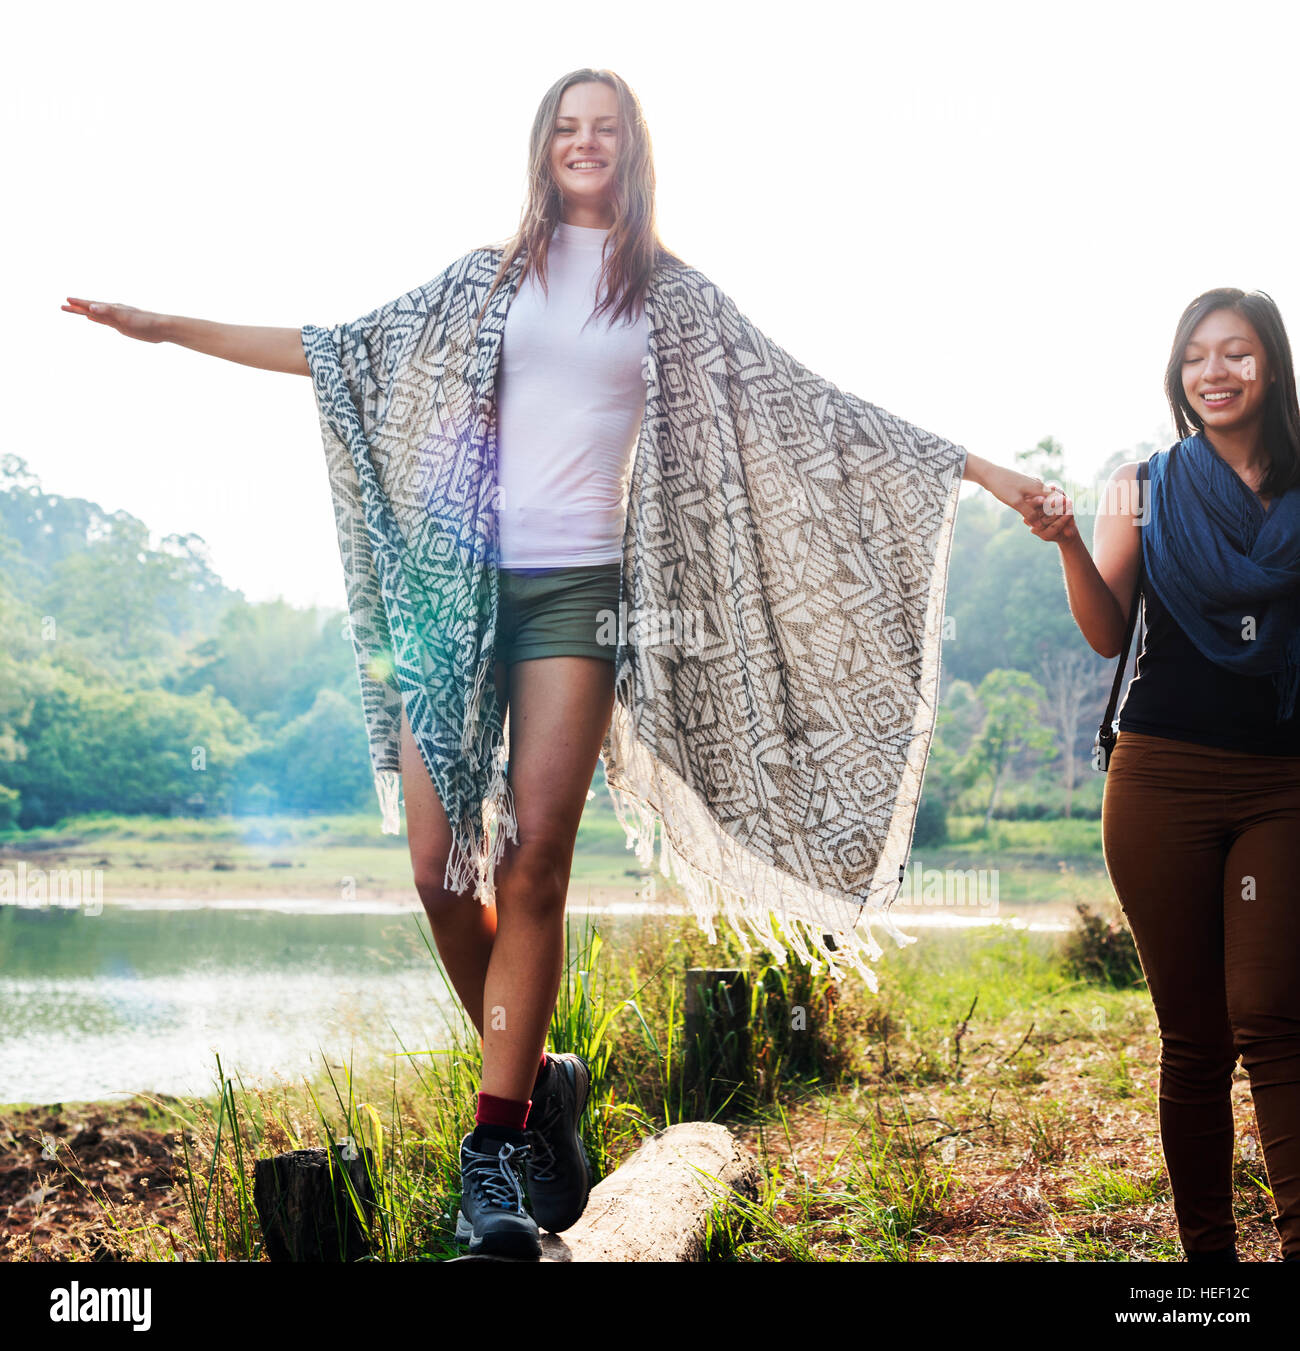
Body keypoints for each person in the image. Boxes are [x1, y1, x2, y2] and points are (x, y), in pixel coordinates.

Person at [63, 67, 1050, 1261]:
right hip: (454, 592)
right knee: (439, 871)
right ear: (543, 149)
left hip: (581, 597)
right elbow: (343, 353)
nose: (585, 145)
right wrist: (167, 328)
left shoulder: (673, 299)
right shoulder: (486, 275)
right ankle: (544, 1084)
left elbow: (817, 409)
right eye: (566, 129)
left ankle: (495, 1150)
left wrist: (983, 469)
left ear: (633, 151)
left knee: (533, 861)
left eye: (606, 129)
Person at [1025, 288, 1300, 1263]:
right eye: (1195, 356)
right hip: (1161, 780)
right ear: (1177, 374)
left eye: (1235, 354)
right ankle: (1210, 1267)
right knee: (1194, 1039)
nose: (1213, 373)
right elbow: (1106, 631)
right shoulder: (1140, 482)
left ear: (1270, 366)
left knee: (1272, 1015)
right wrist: (1065, 540)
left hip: (1280, 783)